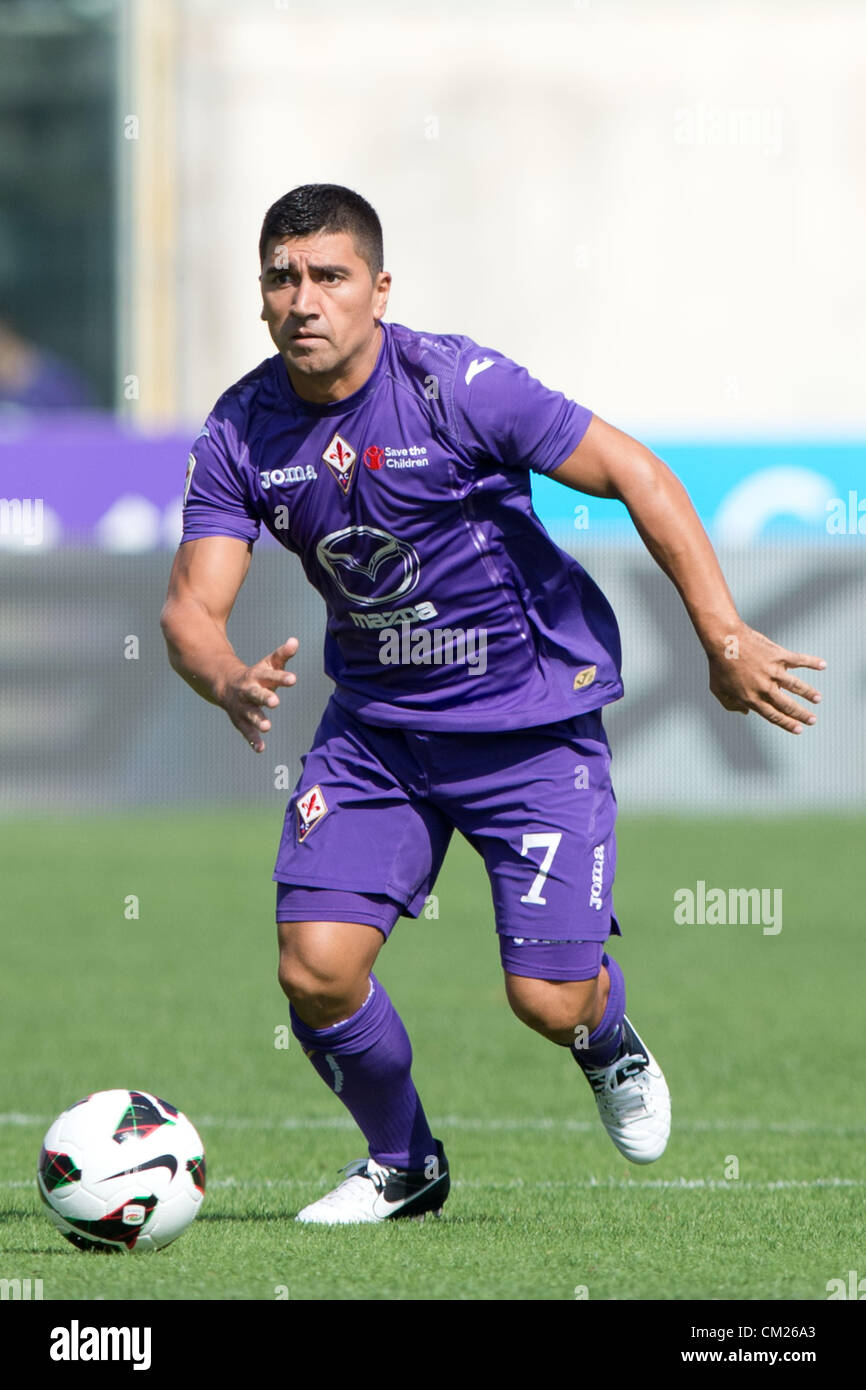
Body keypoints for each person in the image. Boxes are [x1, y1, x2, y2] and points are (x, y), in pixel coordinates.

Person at [160, 184, 825, 1225]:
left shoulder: (456, 385)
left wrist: (722, 635)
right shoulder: (243, 428)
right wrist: (227, 677)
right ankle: (402, 1163)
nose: (303, 300)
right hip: (378, 735)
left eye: (328, 276)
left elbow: (634, 472)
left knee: (545, 1000)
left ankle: (602, 1038)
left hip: (529, 729)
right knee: (316, 970)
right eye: (281, 278)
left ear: (377, 289)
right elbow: (190, 610)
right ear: (259, 297)